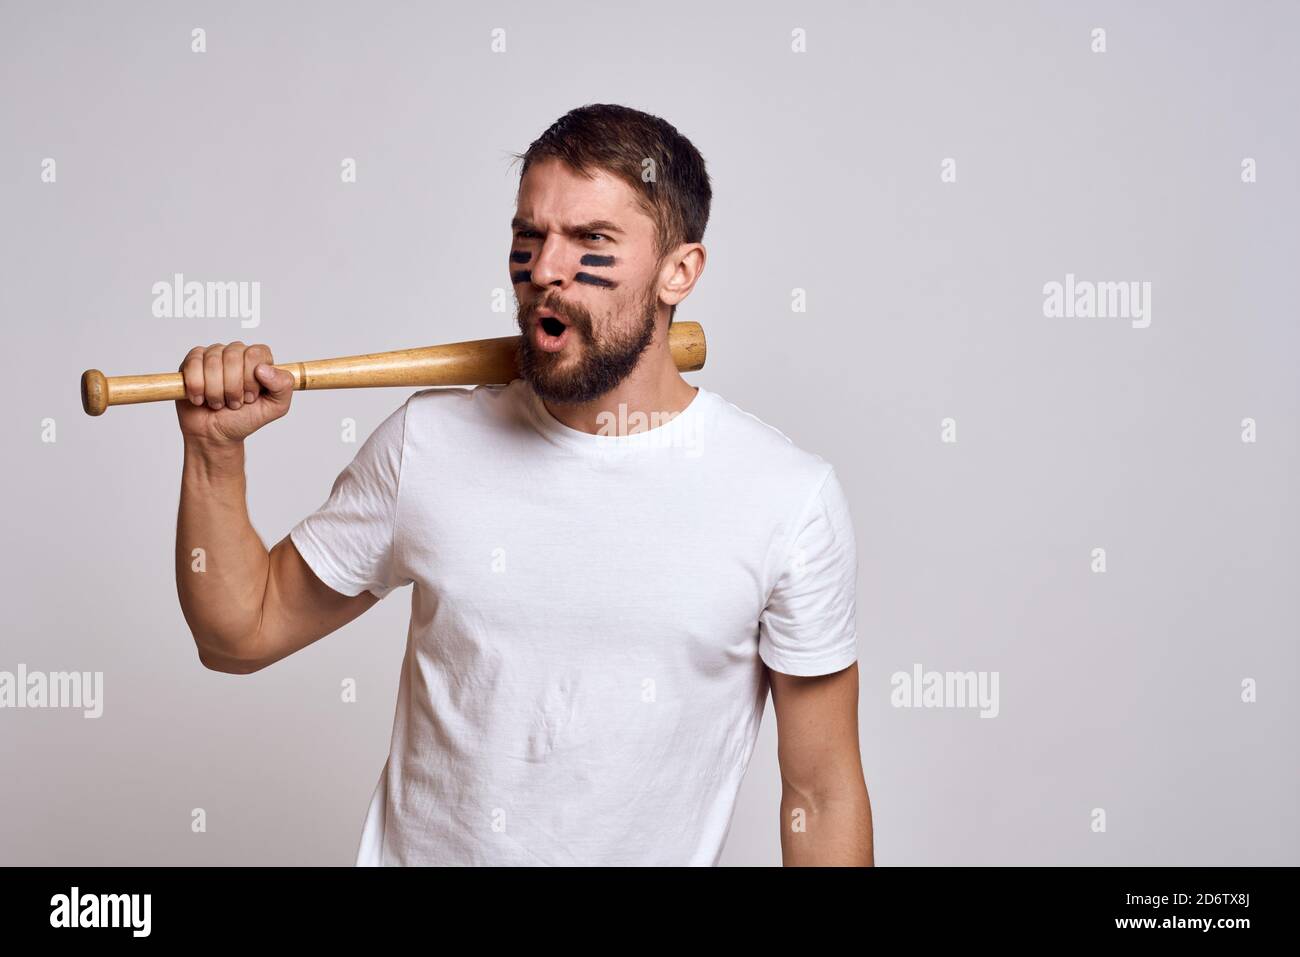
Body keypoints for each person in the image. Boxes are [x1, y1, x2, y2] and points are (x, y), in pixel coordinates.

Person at [174, 103, 873, 866]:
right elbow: (237, 634)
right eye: (529, 237)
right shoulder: (428, 444)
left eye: (591, 240)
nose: (545, 270)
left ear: (680, 271)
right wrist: (214, 453)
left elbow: (821, 792)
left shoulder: (784, 497)